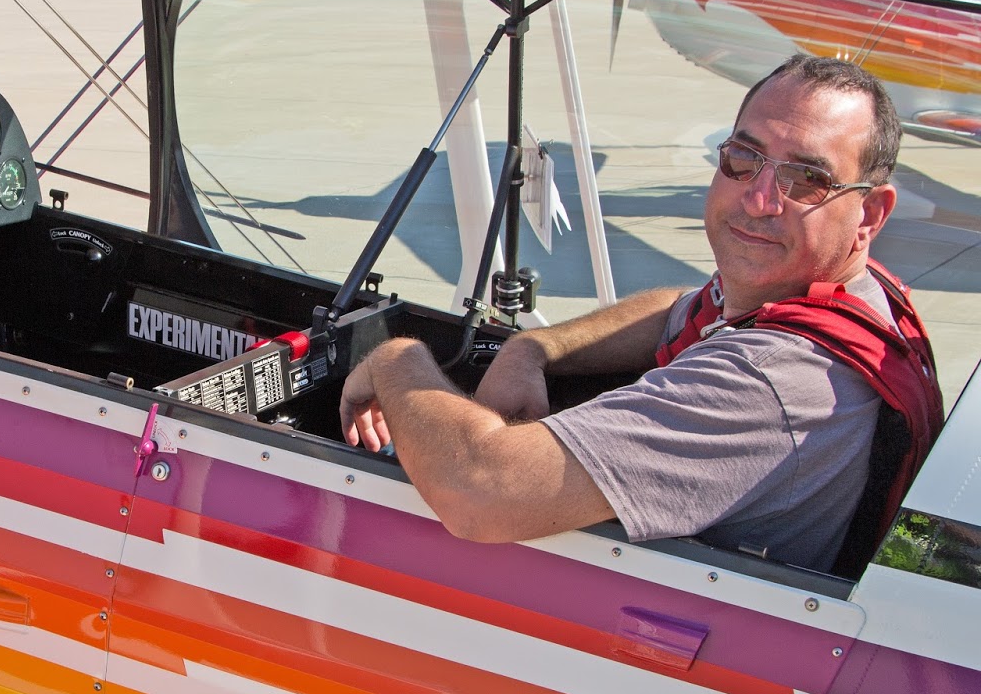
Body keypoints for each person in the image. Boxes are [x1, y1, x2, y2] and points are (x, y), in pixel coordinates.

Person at [339, 55, 943, 572]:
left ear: (869, 214)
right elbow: (685, 306)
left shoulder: (769, 382)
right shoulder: (854, 297)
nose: (759, 199)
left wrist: (395, 360)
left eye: (806, 180)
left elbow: (482, 490)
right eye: (743, 158)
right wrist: (534, 349)